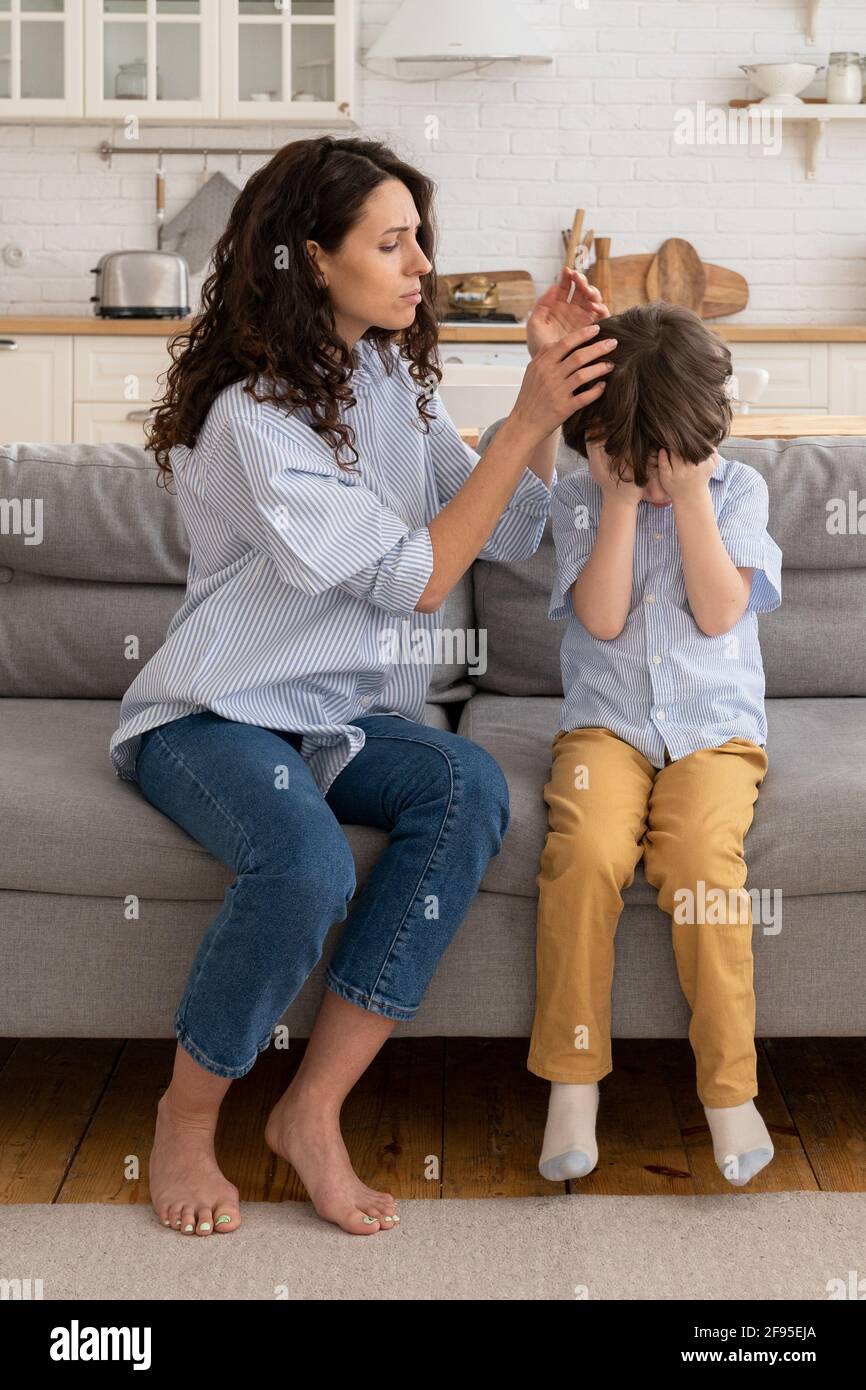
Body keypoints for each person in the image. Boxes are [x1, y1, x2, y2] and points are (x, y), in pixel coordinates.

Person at [108, 136, 617, 1237]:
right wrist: (524, 417)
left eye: (418, 238)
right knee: (299, 862)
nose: (420, 263)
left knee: (467, 790)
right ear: (310, 259)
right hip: (217, 714)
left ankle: (312, 1111)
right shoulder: (251, 420)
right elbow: (418, 578)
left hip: (336, 719)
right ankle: (186, 1120)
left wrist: (537, 394)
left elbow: (513, 524)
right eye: (390, 243)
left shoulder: (384, 378)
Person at [529, 301, 783, 1188]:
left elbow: (719, 612)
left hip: (714, 737)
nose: (651, 474)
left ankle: (728, 1092)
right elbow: (600, 619)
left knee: (703, 868)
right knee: (586, 854)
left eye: (662, 457)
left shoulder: (740, 492)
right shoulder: (579, 498)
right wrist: (617, 502)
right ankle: (572, 1083)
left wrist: (694, 497)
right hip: (606, 731)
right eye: (628, 457)